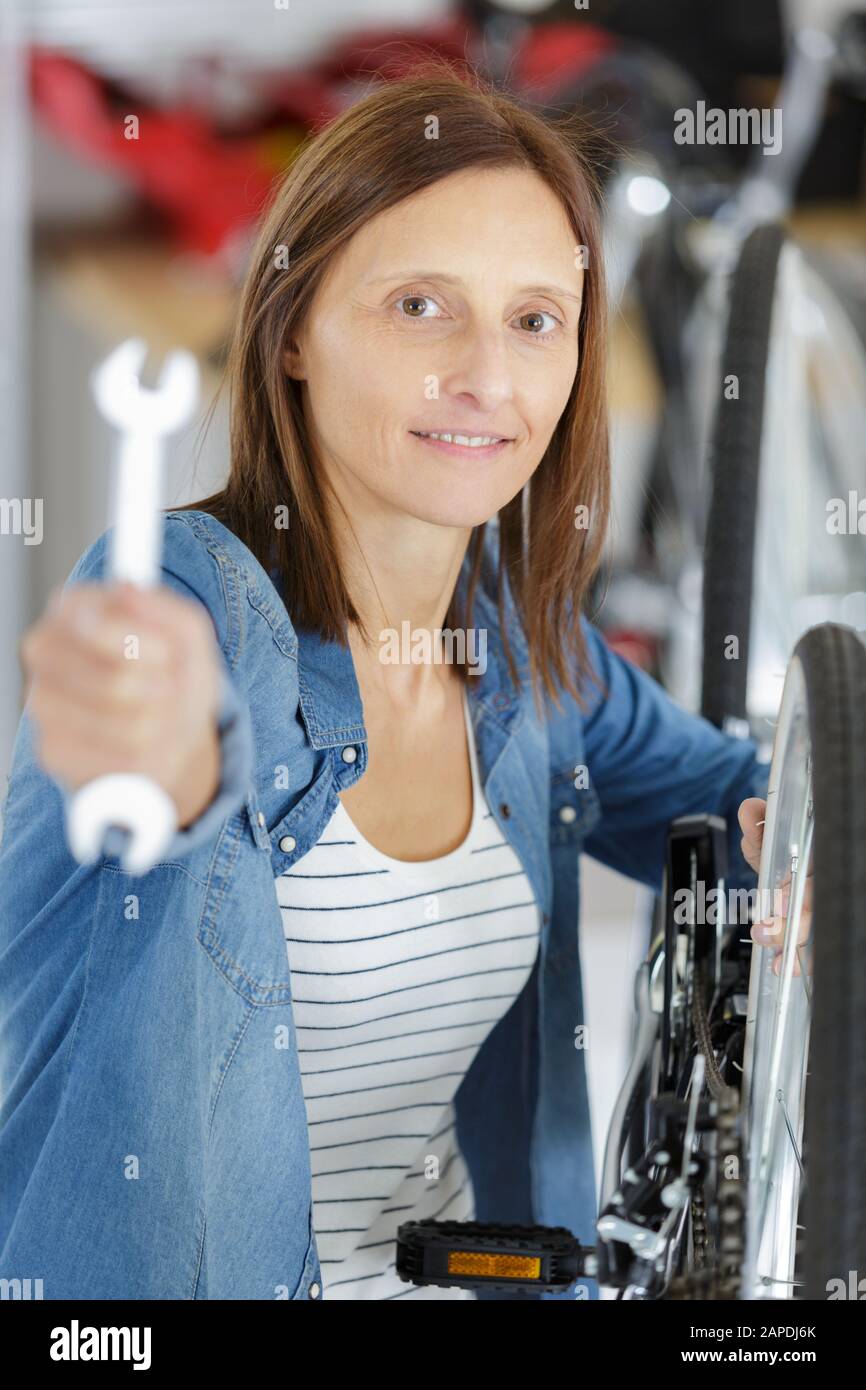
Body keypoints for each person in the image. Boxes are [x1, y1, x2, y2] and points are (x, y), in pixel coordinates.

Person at [0, 61, 773, 1301]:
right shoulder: (194, 608)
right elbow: (179, 731)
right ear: (292, 327)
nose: (488, 375)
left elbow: (749, 801)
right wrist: (151, 742)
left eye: (534, 319)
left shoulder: (529, 657)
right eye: (420, 306)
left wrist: (782, 839)